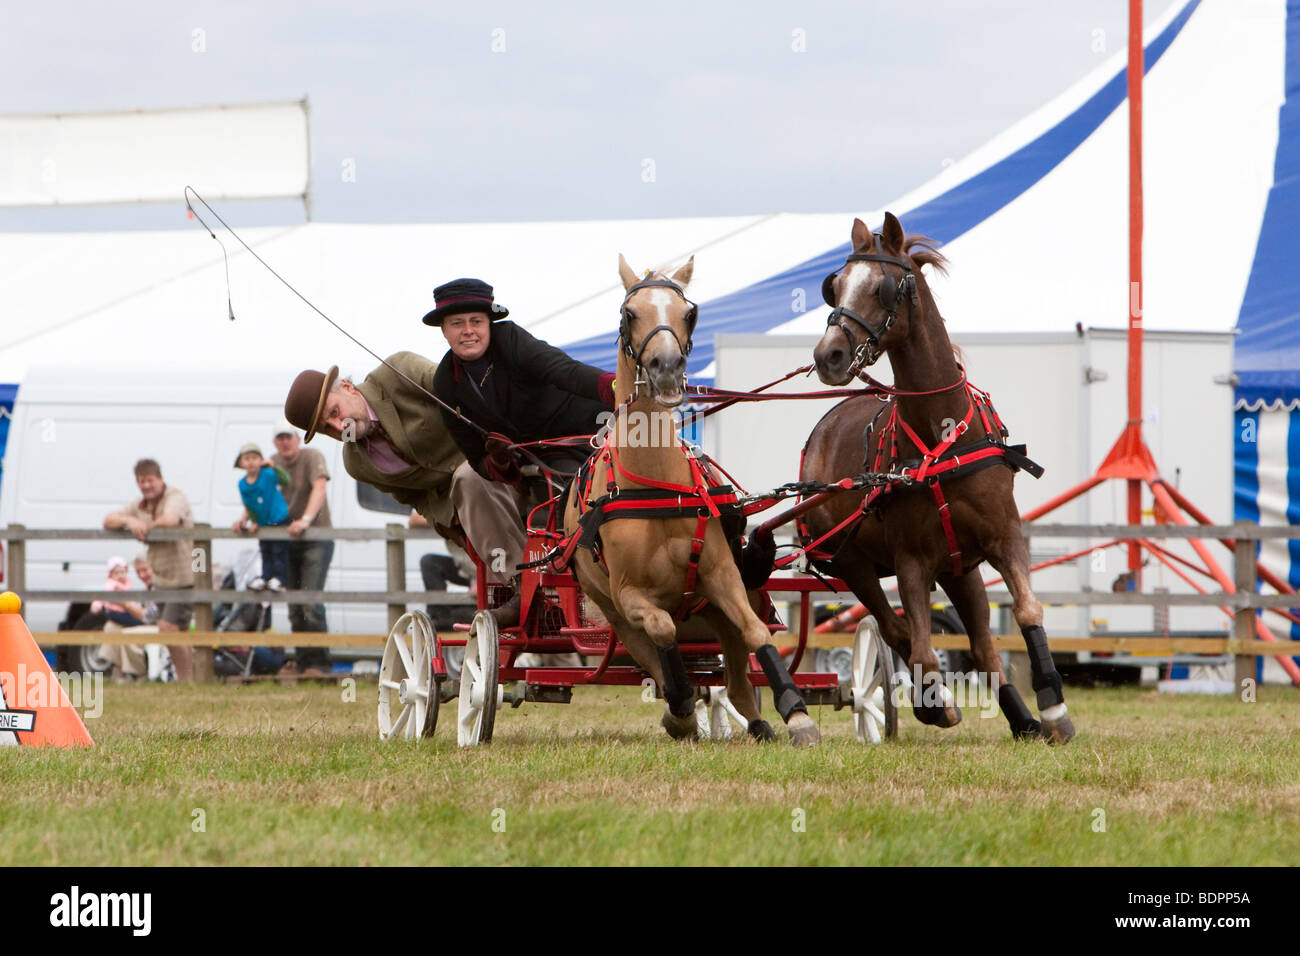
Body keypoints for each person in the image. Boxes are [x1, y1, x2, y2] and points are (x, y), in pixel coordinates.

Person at [283, 351, 527, 626]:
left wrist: (497, 447)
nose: (340, 427)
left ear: (348, 388)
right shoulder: (356, 463)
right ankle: (522, 602)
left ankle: (523, 584)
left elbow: (460, 392)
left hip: (504, 470)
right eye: (327, 429)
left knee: (469, 477)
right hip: (466, 517)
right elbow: (413, 497)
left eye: (335, 412)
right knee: (493, 586)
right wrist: (449, 523)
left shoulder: (397, 372)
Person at [426, 278, 615, 488]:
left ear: (489, 324)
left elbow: (566, 371)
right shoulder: (444, 382)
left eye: (476, 321)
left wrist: (617, 385)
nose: (468, 330)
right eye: (457, 323)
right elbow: (476, 458)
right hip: (544, 460)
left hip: (593, 428)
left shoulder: (510, 338)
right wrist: (499, 461)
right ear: (444, 329)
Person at [103, 459, 196, 681]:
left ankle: (187, 679)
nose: (146, 486)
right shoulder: (140, 505)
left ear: (160, 479)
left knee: (168, 628)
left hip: (184, 577)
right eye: (141, 481)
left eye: (150, 480)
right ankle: (189, 681)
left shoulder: (175, 496)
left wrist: (144, 527)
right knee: (176, 632)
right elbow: (108, 520)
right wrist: (130, 520)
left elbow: (170, 519)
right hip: (160, 579)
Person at [269, 420, 335, 676]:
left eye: (288, 437)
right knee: (294, 605)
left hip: (316, 538)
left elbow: (319, 487)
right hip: (288, 541)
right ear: (275, 442)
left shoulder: (312, 457)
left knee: (310, 602)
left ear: (298, 438)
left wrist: (306, 520)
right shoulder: (272, 463)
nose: (285, 442)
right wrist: (248, 519)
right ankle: (303, 663)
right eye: (280, 438)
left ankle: (320, 665)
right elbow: (259, 493)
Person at [231, 443, 291, 591]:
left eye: (255, 458)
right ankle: (266, 577)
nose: (251, 462)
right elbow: (249, 505)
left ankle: (280, 579)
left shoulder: (268, 475)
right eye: (247, 459)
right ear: (241, 463)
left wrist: (274, 467)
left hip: (278, 518)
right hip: (264, 522)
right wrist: (253, 521)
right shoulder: (242, 484)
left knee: (278, 550)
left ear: (261, 460)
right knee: (265, 550)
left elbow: (286, 480)